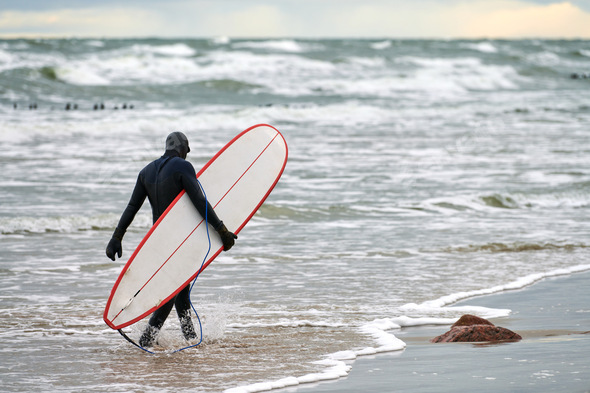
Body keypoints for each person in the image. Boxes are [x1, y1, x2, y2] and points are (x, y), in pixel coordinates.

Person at [105, 131, 237, 347]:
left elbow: (132, 207)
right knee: (173, 290)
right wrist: (222, 231)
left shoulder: (145, 172)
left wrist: (116, 237)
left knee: (181, 293)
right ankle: (147, 339)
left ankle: (191, 339)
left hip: (158, 240)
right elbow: (199, 200)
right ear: (182, 147)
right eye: (188, 148)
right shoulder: (183, 167)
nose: (189, 152)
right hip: (178, 241)